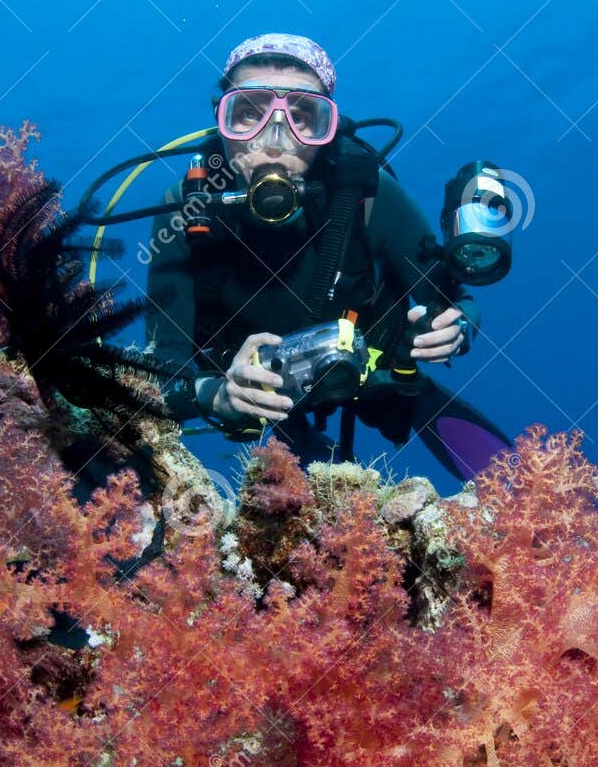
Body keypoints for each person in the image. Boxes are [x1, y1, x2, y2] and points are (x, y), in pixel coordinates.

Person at [144, 32, 511, 480]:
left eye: (303, 118)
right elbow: (159, 369)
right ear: (221, 119)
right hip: (254, 389)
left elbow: (453, 300)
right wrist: (215, 395)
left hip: (370, 372)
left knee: (408, 404)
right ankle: (295, 436)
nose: (274, 141)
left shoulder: (366, 195)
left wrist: (456, 330)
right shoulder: (185, 212)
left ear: (328, 130)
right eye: (248, 114)